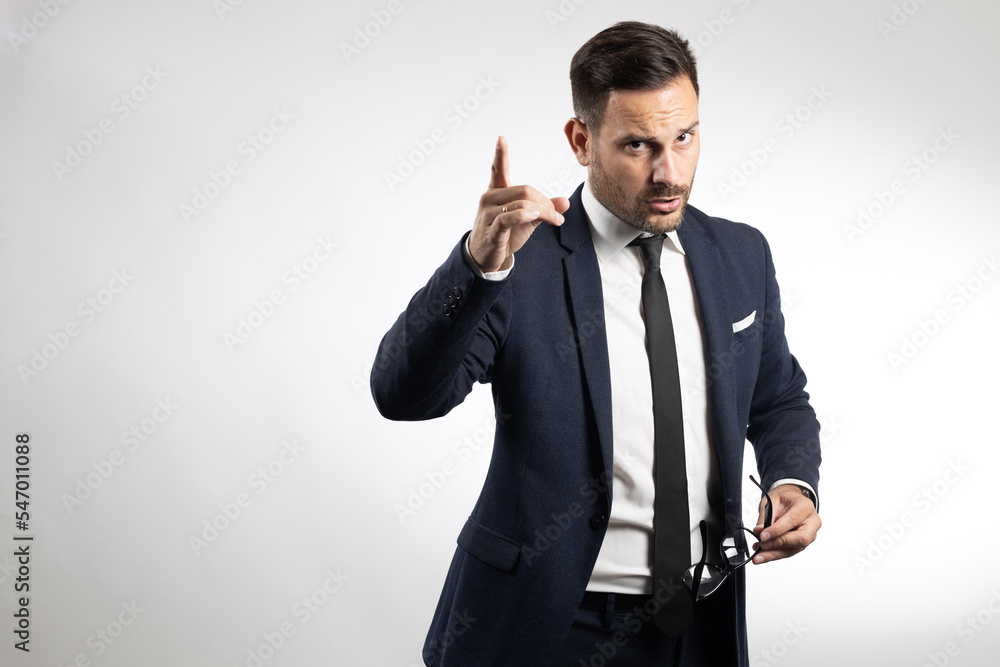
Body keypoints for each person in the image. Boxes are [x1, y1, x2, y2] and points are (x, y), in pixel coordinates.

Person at [371, 21, 822, 667]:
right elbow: (403, 395)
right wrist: (477, 266)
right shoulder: (520, 261)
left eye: (685, 137)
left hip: (700, 619)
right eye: (638, 144)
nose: (669, 172)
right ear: (582, 140)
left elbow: (779, 398)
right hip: (547, 622)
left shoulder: (740, 253)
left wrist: (794, 481)